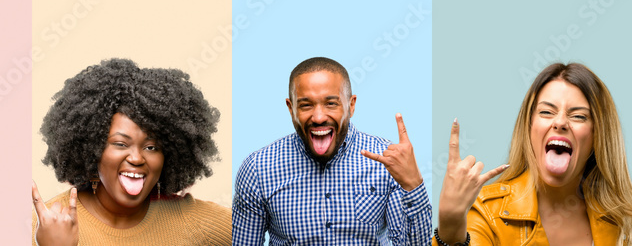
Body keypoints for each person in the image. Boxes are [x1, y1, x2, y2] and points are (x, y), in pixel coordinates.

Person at [233, 56, 431, 245]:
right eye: (306, 105)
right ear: (291, 108)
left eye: (331, 104)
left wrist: (413, 185)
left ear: (351, 106)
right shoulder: (257, 169)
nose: (319, 117)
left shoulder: (387, 161)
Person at [32, 58, 231, 245]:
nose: (136, 158)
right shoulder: (44, 227)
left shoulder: (193, 221)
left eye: (151, 147)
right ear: (92, 150)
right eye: (120, 144)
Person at [434, 63, 632, 245]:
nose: (560, 122)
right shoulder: (487, 212)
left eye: (578, 116)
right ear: (529, 127)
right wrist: (450, 229)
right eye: (546, 112)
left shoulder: (624, 221)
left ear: (598, 135)